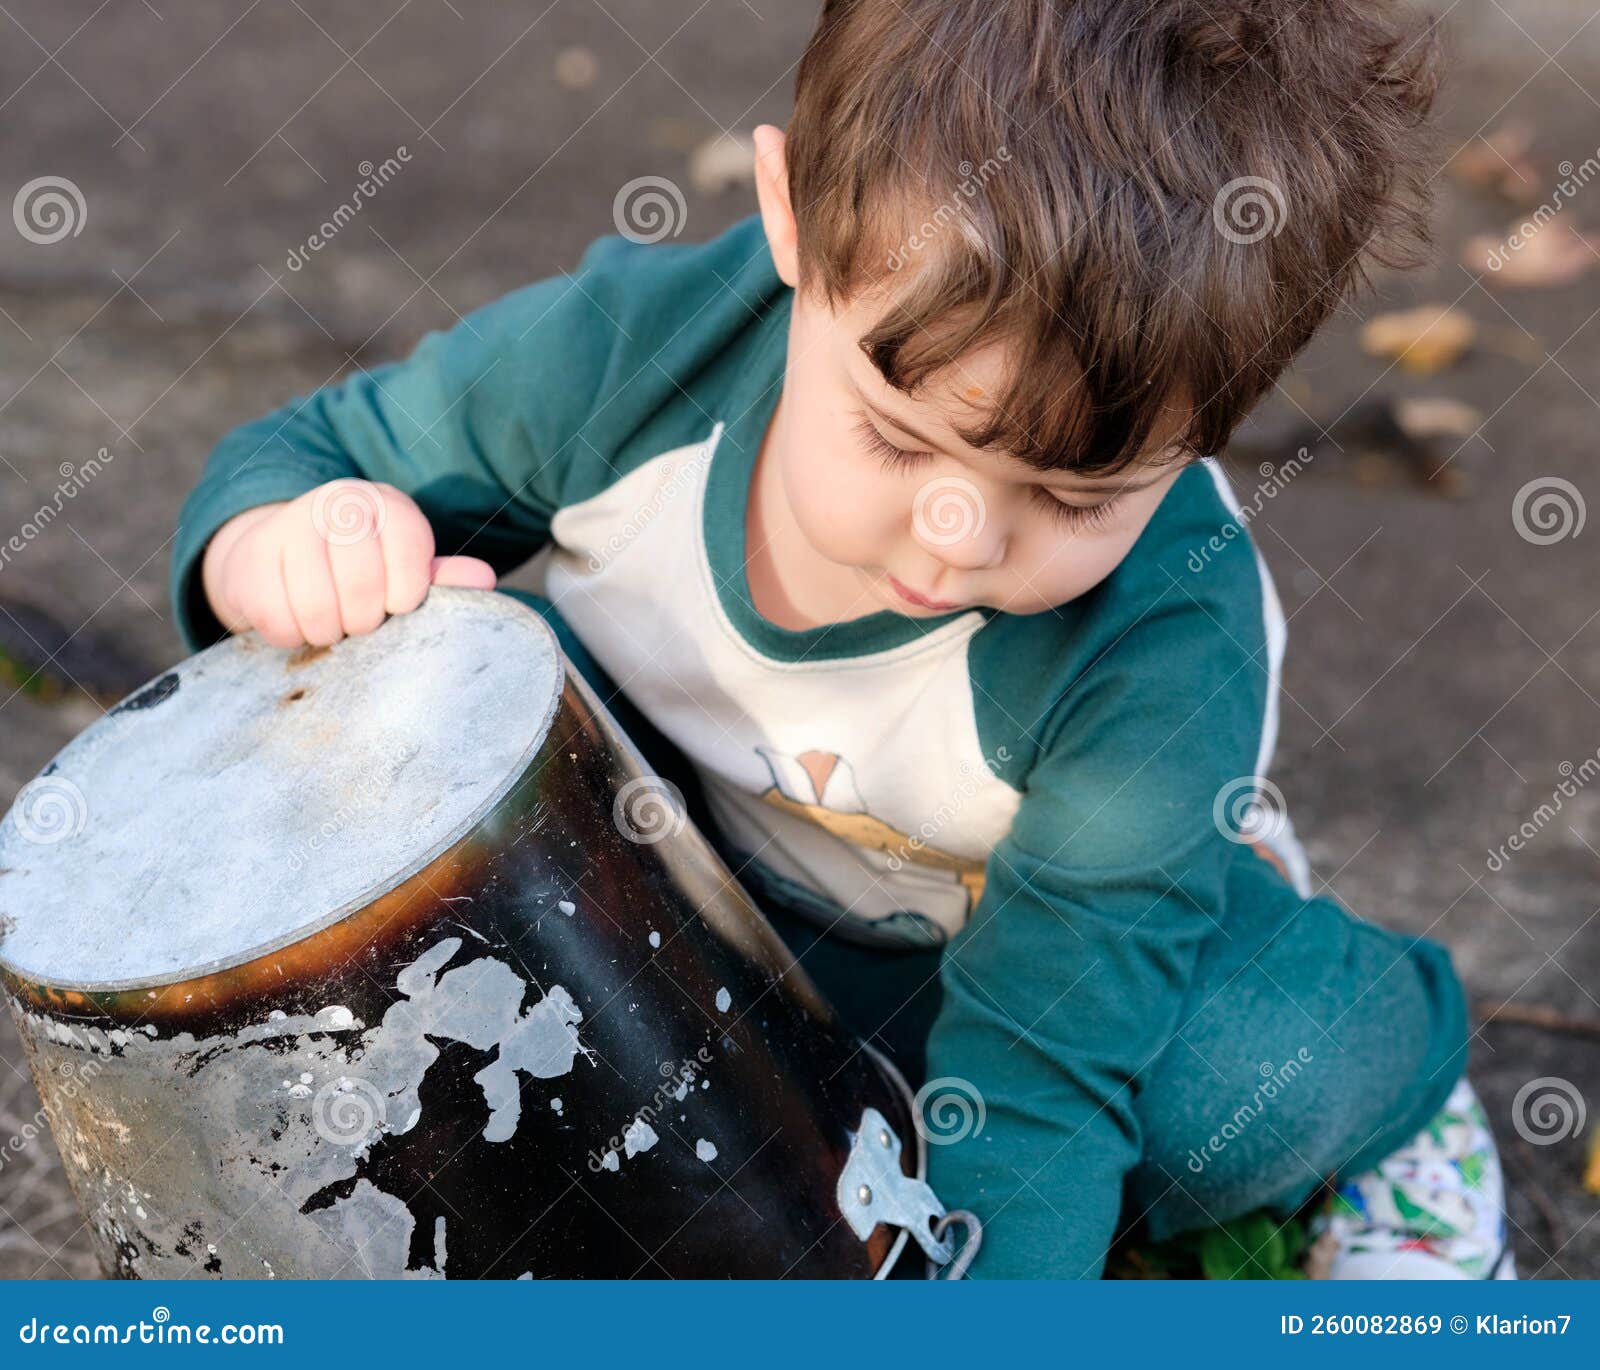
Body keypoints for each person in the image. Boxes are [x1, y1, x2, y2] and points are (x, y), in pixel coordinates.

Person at [169, 0, 1511, 1279]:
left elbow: (1042, 1077)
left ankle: (1396, 1075)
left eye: (1068, 497)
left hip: (982, 965)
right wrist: (295, 545)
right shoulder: (642, 353)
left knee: (1215, 1091)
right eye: (898, 435)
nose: (954, 535)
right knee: (438, 718)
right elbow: (306, 455)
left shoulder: (1161, 644)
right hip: (675, 880)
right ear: (796, 216)